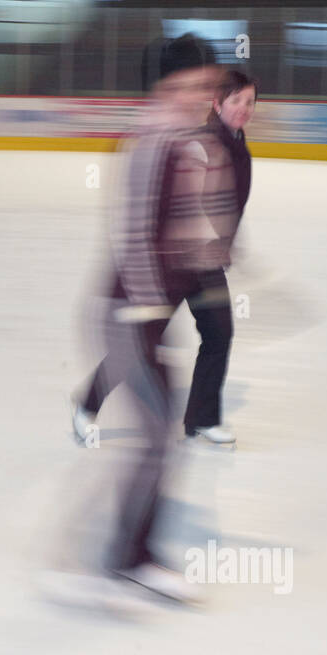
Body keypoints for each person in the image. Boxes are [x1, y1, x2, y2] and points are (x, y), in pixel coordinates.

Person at [68, 33, 234, 604]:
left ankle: (121, 556)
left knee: (156, 437)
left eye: (207, 86)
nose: (199, 96)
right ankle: (108, 562)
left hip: (148, 315)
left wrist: (214, 261)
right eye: (186, 86)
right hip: (127, 313)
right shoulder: (151, 141)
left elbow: (191, 227)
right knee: (156, 435)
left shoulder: (191, 141)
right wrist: (145, 304)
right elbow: (134, 228)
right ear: (164, 88)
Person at [72, 67, 256, 447]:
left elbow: (228, 205)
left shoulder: (239, 147)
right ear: (217, 104)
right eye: (236, 100)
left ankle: (203, 419)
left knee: (219, 334)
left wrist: (228, 243)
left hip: (206, 264)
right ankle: (87, 405)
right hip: (175, 263)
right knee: (141, 341)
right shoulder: (201, 142)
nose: (243, 108)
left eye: (250, 101)